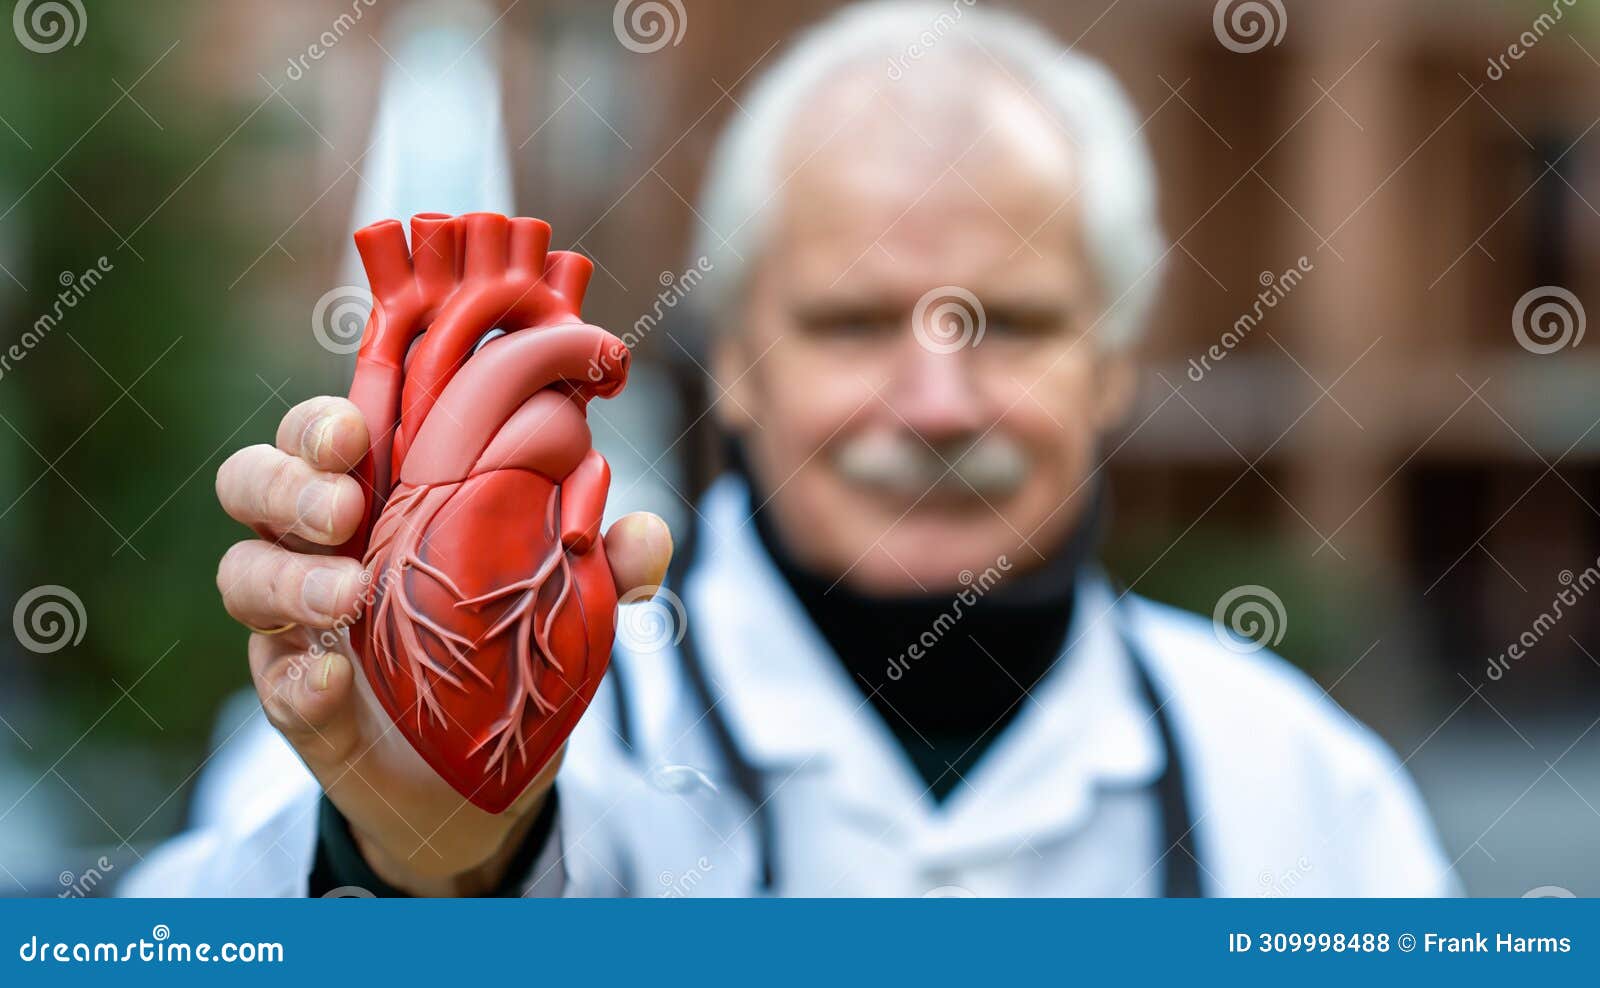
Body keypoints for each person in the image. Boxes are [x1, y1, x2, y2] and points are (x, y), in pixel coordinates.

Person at [125, 1, 1455, 897]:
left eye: (1012, 326)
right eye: (854, 323)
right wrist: (420, 863)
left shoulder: (1301, 790)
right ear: (741, 363)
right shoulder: (424, 707)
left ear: (1112, 366)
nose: (936, 405)